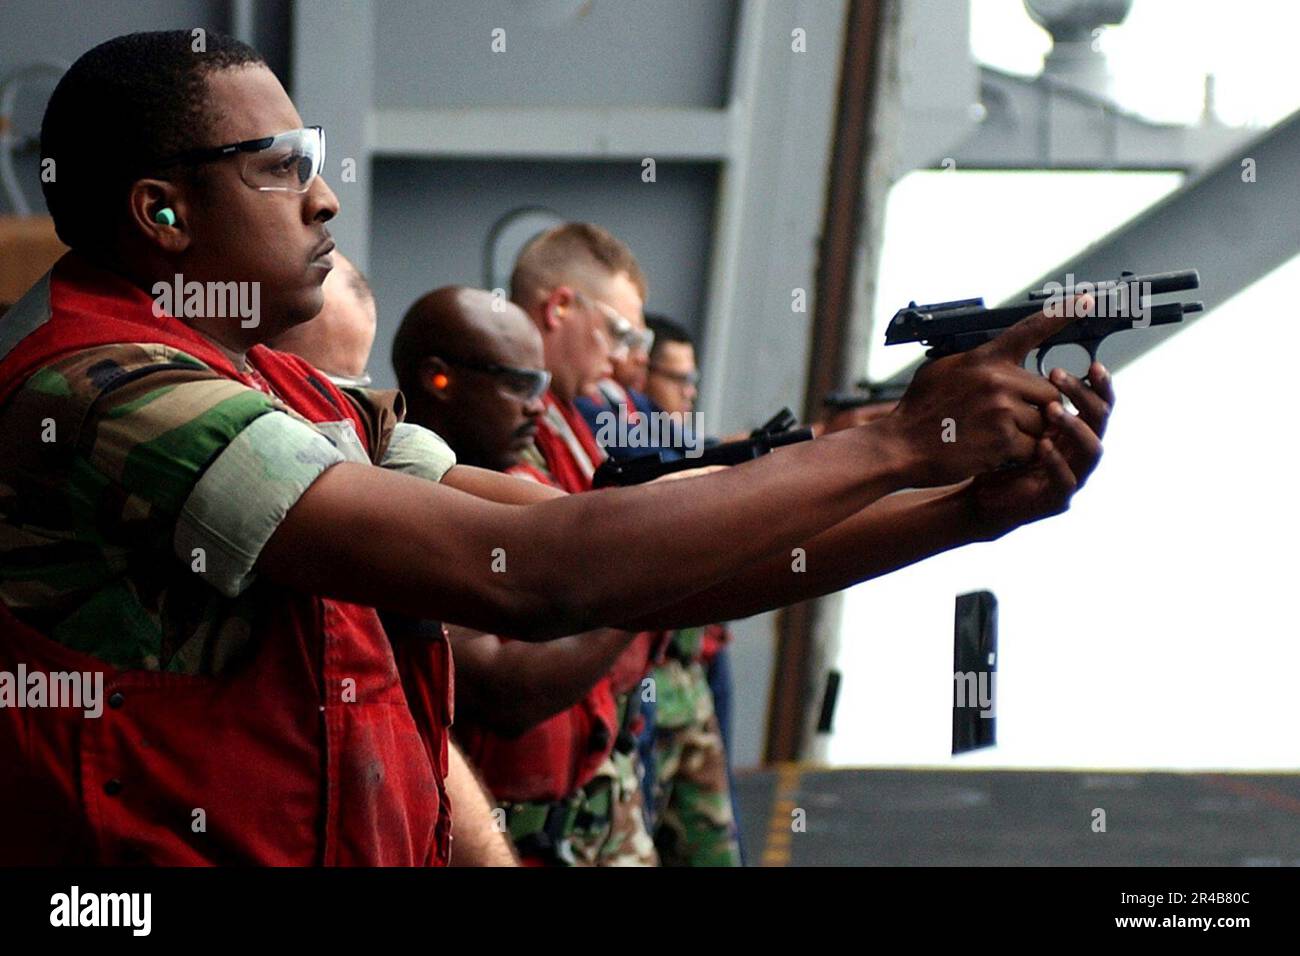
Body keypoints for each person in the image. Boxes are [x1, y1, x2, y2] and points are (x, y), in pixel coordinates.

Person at [0, 31, 1113, 866]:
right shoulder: (111, 395)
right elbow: (539, 580)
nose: (324, 196)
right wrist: (908, 443)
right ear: (162, 213)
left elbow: (568, 540)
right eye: (280, 165)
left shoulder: (280, 384)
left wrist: (960, 506)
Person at [394, 285, 656, 865]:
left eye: (542, 385)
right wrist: (651, 586)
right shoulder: (404, 509)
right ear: (439, 378)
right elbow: (509, 689)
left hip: (582, 815)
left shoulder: (514, 479)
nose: (539, 406)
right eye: (519, 384)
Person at [275, 269, 516, 866]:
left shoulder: (366, 446)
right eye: (319, 386)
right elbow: (532, 589)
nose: (346, 412)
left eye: (357, 385)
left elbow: (396, 710)